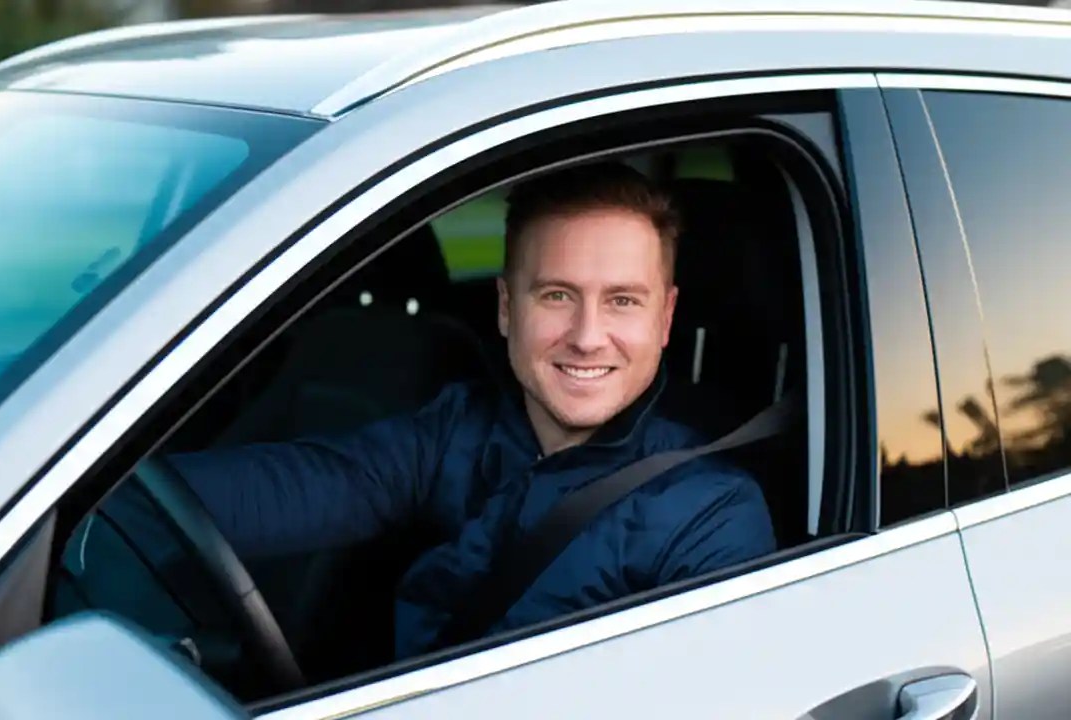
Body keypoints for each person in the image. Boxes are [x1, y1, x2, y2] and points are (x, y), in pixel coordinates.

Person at [168, 161, 775, 660]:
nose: (588, 337)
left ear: (665, 318)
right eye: (557, 295)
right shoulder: (460, 426)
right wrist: (96, 494)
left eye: (621, 301)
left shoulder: (711, 515)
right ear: (508, 307)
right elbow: (295, 486)